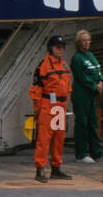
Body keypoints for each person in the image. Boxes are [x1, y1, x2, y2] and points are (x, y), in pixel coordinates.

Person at [31, 35, 72, 183]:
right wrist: (38, 110)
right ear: (51, 48)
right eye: (57, 47)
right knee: (44, 140)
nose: (60, 50)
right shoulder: (43, 65)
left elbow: (67, 87)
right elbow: (36, 90)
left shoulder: (64, 65)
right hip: (47, 105)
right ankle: (39, 169)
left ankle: (56, 168)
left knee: (58, 139)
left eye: (62, 48)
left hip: (60, 106)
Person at [71, 29, 103, 164]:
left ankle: (96, 152)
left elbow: (98, 70)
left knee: (93, 123)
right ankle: (81, 153)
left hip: (91, 95)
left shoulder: (91, 55)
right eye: (84, 41)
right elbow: (81, 77)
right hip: (81, 94)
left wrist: (101, 82)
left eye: (88, 40)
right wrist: (94, 86)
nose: (87, 43)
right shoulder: (77, 58)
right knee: (82, 123)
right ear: (78, 43)